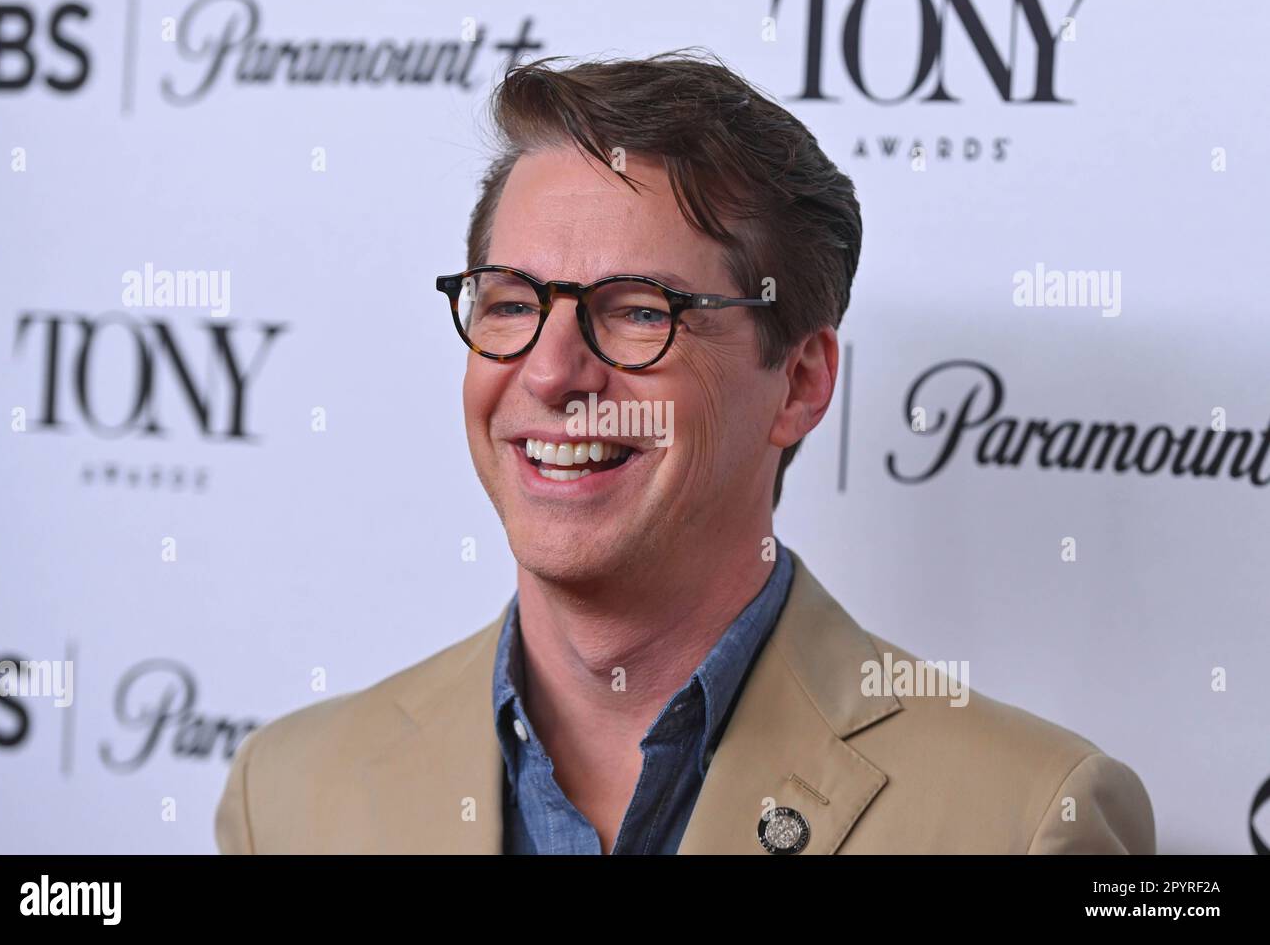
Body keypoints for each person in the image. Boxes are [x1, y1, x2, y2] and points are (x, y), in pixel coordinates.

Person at [215, 51, 1154, 854]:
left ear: (798, 383)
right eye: (509, 303)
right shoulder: (290, 796)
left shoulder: (1030, 821)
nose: (550, 376)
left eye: (637, 312)